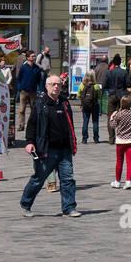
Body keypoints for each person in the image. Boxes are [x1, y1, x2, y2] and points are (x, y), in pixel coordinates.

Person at [20, 73, 81, 218]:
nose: (56, 87)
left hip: (64, 148)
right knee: (38, 179)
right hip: (47, 149)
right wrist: (29, 142)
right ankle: (26, 204)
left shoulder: (65, 103)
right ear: (47, 86)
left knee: (68, 179)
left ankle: (69, 207)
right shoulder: (40, 104)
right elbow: (32, 124)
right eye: (53, 84)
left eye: (58, 84)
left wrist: (73, 143)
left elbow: (70, 125)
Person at [109, 94, 131, 189]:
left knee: (119, 161)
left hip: (120, 141)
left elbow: (113, 126)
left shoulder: (119, 114)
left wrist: (112, 117)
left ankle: (117, 181)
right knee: (130, 162)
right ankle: (128, 181)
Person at [101, 56, 130, 143]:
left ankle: (111, 138)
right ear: (120, 62)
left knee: (110, 116)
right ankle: (122, 136)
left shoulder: (108, 72)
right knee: (123, 116)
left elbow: (104, 85)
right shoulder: (124, 72)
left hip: (112, 95)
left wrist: (110, 88)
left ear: (113, 62)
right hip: (122, 96)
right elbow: (128, 84)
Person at [15, 51, 41, 135]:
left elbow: (39, 80)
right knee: (22, 110)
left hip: (33, 92)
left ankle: (33, 125)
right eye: (32, 56)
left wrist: (41, 90)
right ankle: (21, 125)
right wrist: (20, 88)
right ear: (28, 58)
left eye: (34, 56)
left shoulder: (37, 68)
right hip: (24, 91)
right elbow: (19, 78)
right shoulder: (23, 67)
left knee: (34, 110)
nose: (34, 57)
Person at [78, 67, 101, 144]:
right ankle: (96, 138)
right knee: (95, 122)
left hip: (85, 106)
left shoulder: (82, 85)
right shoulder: (96, 86)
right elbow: (99, 96)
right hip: (94, 105)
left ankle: (84, 139)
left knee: (85, 122)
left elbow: (78, 95)